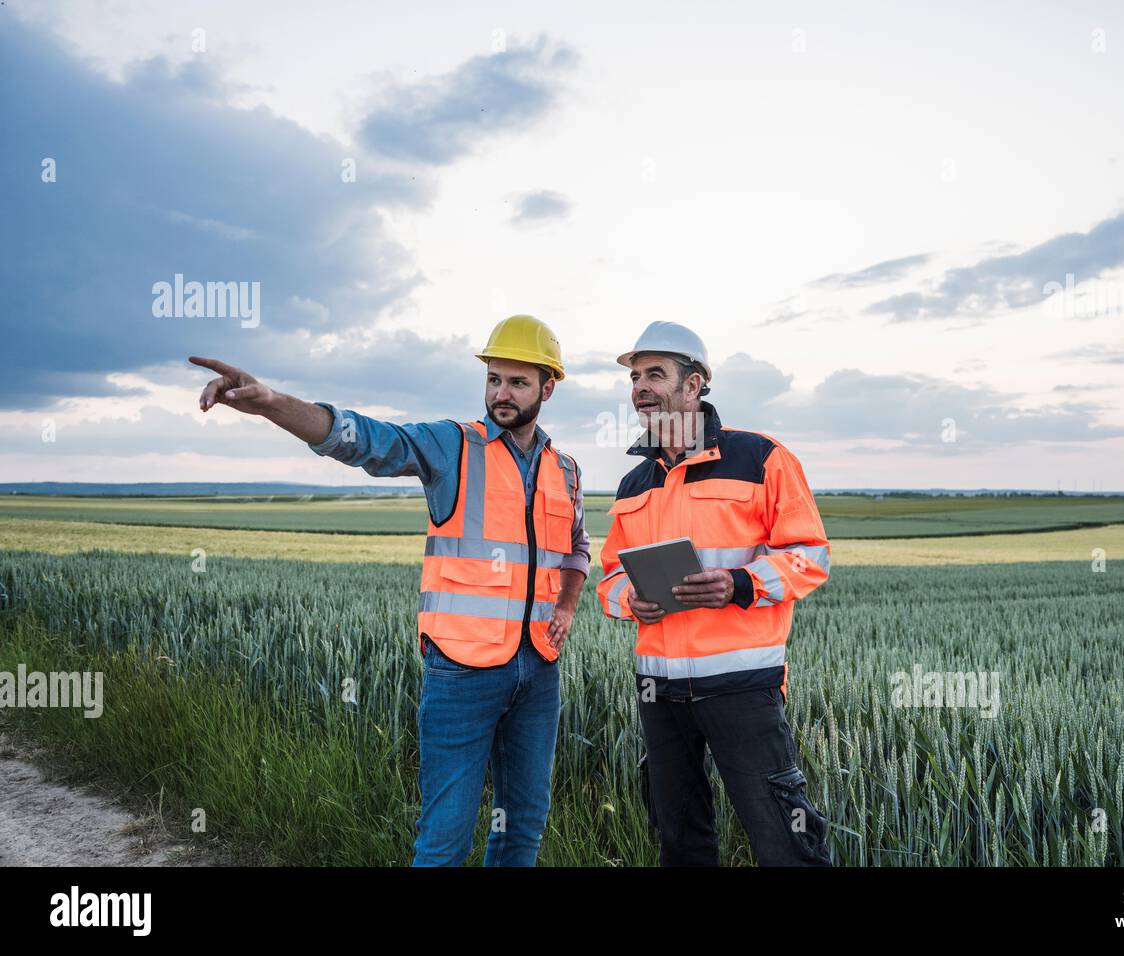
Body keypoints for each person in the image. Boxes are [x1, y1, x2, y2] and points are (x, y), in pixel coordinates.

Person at [188, 314, 589, 866]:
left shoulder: (564, 469)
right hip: (462, 672)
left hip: (539, 670)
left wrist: (566, 604)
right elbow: (367, 439)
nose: (501, 392)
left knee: (521, 832)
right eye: (494, 379)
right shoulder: (453, 446)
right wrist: (272, 403)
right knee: (444, 840)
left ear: (548, 387)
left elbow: (576, 548)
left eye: (517, 382)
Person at [597, 320, 833, 866]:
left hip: (741, 685)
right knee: (679, 838)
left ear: (695, 384)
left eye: (656, 374)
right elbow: (609, 579)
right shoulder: (636, 483)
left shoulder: (761, 458)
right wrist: (629, 600)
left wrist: (740, 583)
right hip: (658, 689)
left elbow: (811, 556)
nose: (640, 388)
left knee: (783, 836)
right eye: (635, 377)